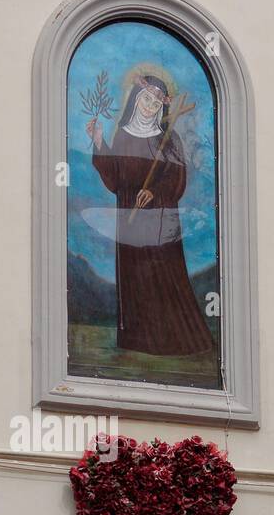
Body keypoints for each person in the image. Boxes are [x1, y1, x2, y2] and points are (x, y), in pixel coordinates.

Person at [86, 74, 212, 357]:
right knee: (135, 276)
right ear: (135, 99)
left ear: (162, 107)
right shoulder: (123, 134)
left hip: (159, 217)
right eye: (146, 98)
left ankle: (172, 340)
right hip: (129, 214)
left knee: (161, 274)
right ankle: (137, 340)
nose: (150, 105)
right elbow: (115, 179)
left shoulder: (169, 139)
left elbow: (178, 179)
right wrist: (98, 142)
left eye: (156, 102)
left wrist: (155, 192)